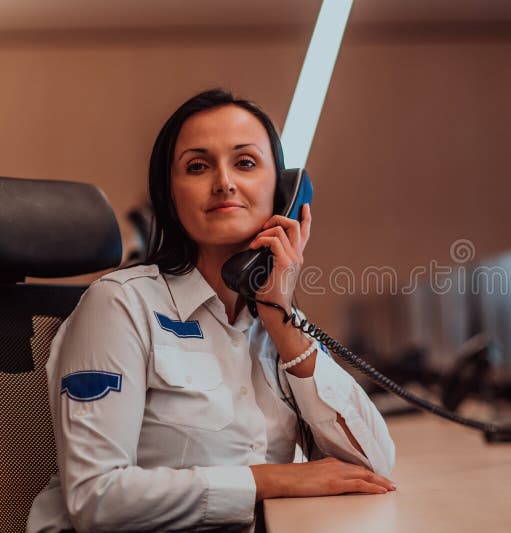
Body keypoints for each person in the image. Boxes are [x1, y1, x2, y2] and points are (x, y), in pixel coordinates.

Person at [27, 89, 396, 532]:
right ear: (169, 195)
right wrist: (269, 480)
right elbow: (96, 498)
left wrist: (283, 324)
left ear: (284, 194)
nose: (224, 182)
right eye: (198, 166)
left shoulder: (276, 322)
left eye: (245, 163)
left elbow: (373, 467)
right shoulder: (120, 304)